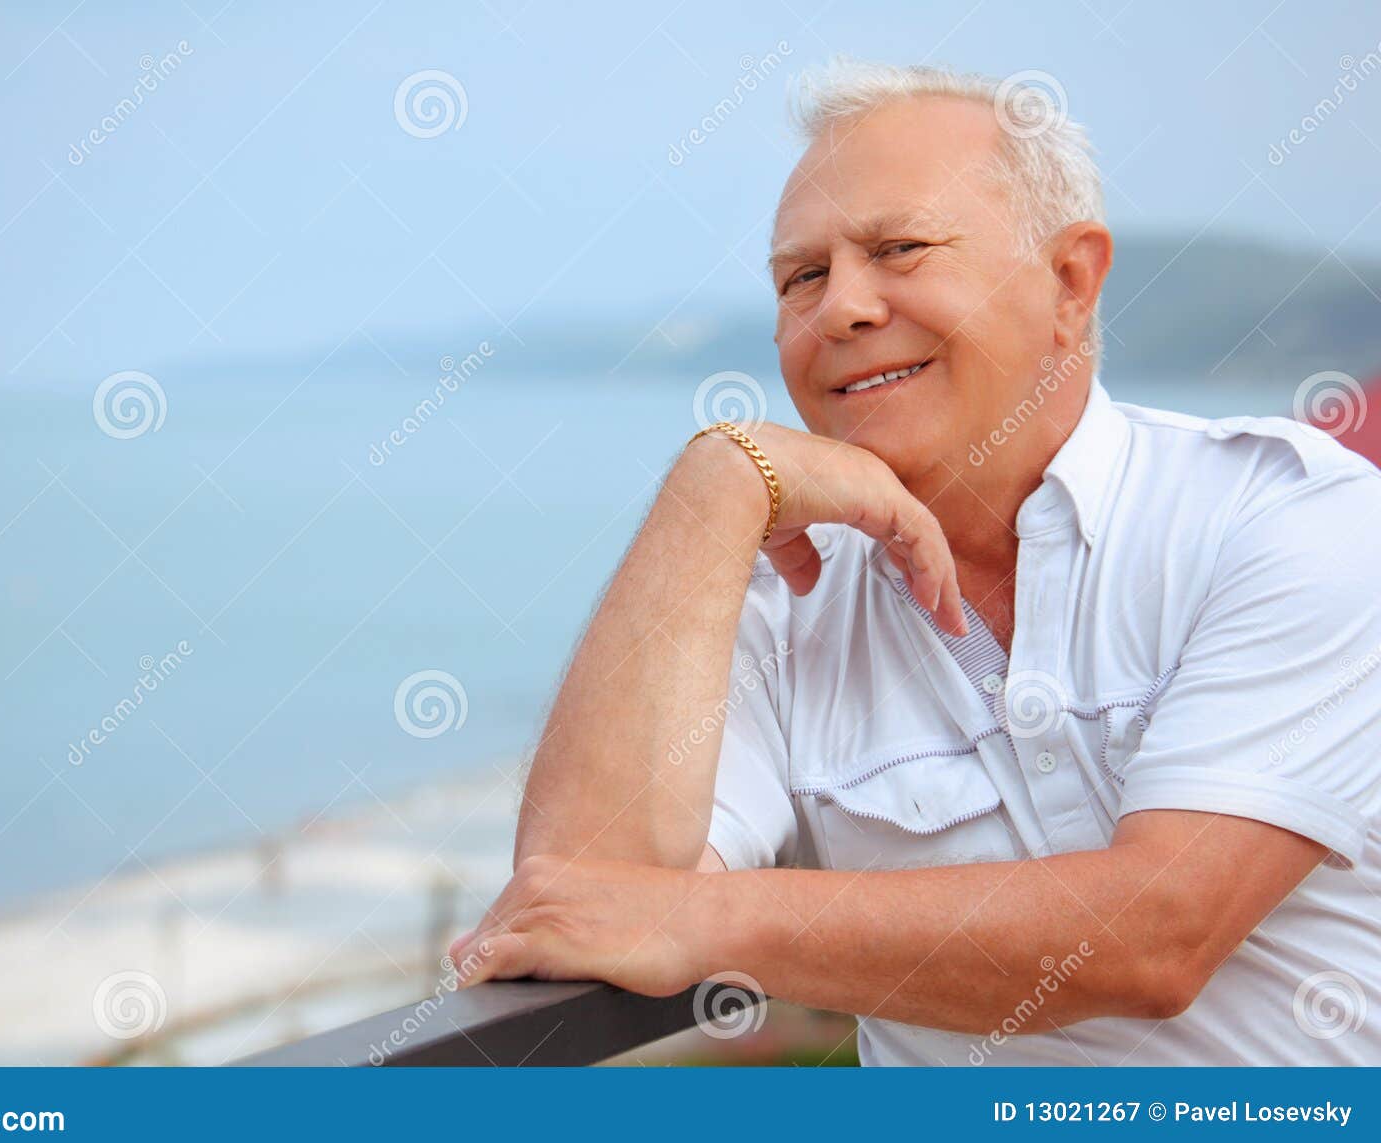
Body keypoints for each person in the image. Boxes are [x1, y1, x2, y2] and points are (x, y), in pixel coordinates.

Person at [449, 61, 1381, 1064]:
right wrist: (711, 487)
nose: (841, 307)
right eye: (800, 276)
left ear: (1070, 282)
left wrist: (703, 920)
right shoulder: (776, 611)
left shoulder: (1288, 517)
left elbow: (1154, 935)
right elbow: (577, 894)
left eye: (900, 249)